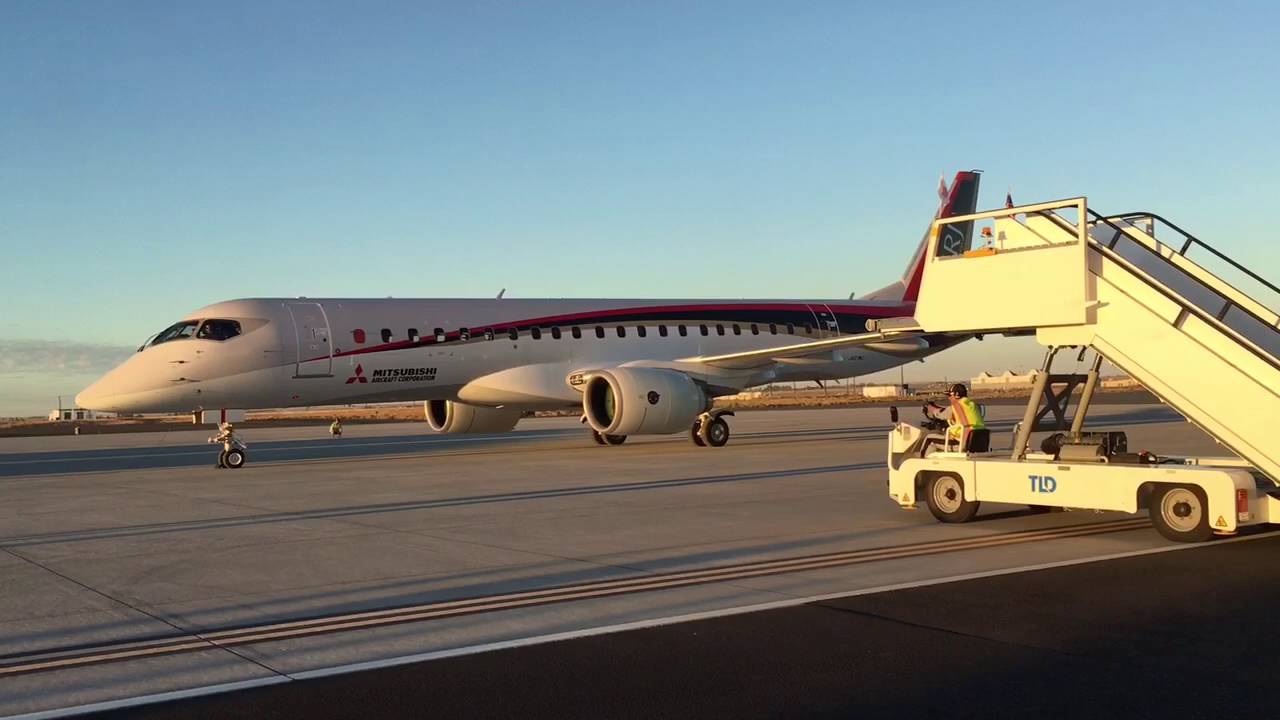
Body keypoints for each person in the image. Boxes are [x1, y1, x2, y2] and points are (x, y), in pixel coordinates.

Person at [925, 383, 988, 452]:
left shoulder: (954, 407)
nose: (949, 398)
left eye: (950, 395)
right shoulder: (973, 406)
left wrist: (930, 408)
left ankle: (921, 461)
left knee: (929, 439)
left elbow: (939, 414)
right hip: (979, 443)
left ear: (956, 394)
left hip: (962, 443)